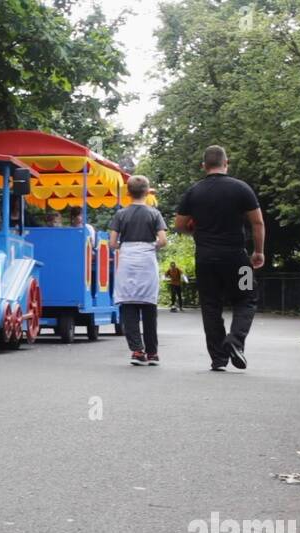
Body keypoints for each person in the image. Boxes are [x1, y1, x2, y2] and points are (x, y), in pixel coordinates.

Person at [174, 145, 265, 371]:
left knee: (210, 305)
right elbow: (257, 223)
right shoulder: (241, 189)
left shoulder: (193, 192)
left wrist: (198, 232)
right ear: (226, 163)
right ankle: (235, 341)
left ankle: (218, 358)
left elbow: (180, 225)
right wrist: (259, 251)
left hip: (205, 260)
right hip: (237, 258)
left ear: (204, 166)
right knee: (248, 297)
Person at [111, 175, 168, 366]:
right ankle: (152, 353)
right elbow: (163, 241)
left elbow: (112, 243)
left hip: (127, 260)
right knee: (149, 307)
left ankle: (137, 351)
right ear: (147, 191)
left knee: (129, 305)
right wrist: (151, 246)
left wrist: (124, 247)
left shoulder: (121, 214)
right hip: (147, 261)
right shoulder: (154, 214)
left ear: (128, 193)